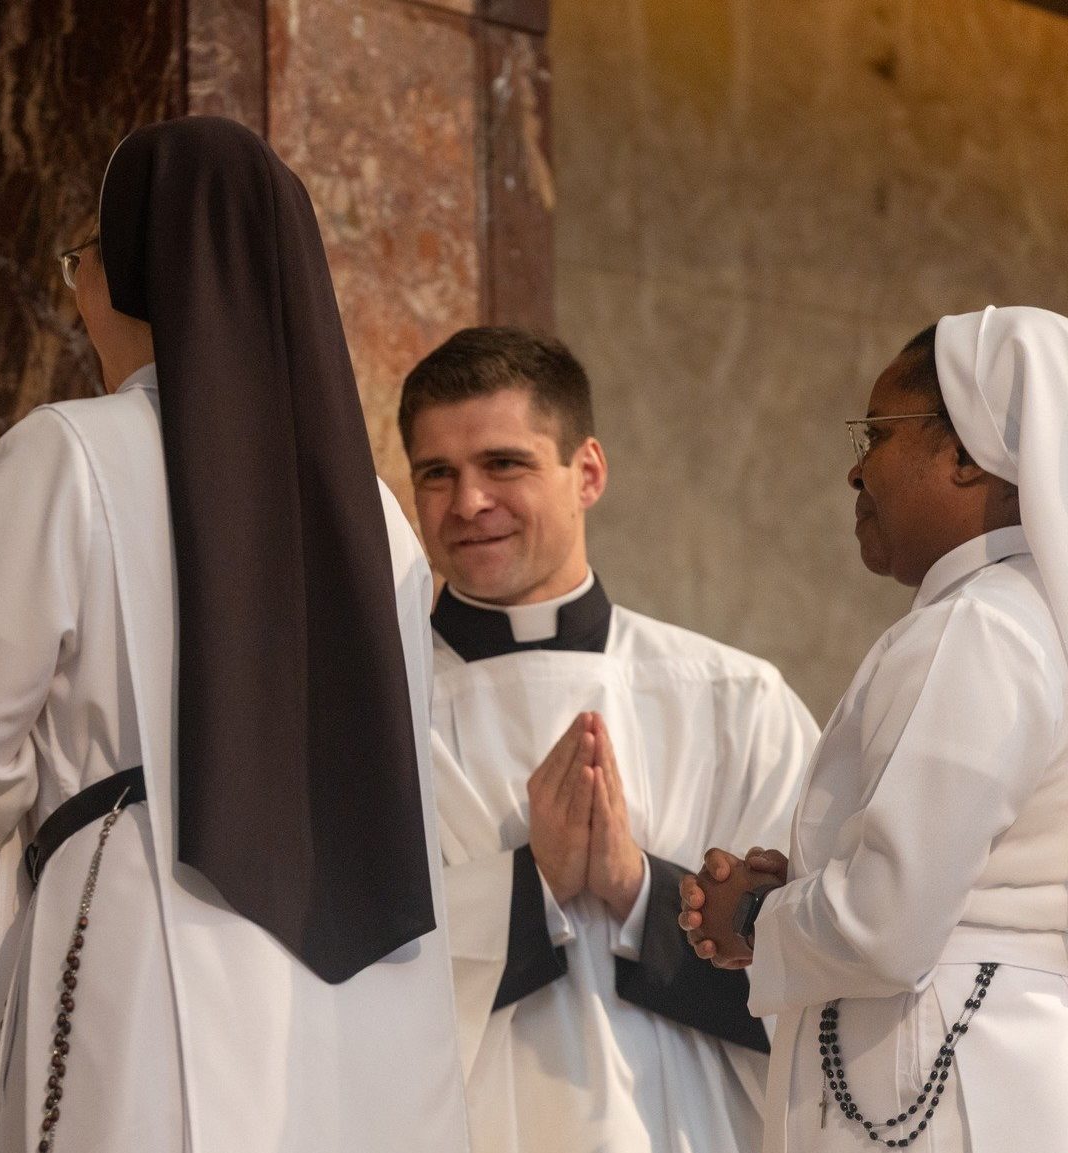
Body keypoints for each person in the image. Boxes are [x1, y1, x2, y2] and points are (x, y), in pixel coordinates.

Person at [0, 117, 468, 1153]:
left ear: (140, 267)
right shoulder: (378, 518)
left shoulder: (69, 453)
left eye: (82, 259)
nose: (73, 290)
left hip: (136, 937)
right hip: (362, 1005)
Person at [399, 327, 818, 1153]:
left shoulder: (733, 699)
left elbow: (825, 964)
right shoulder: (372, 711)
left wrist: (640, 891)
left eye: (504, 464)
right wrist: (531, 887)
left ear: (587, 471)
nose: (468, 502)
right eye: (436, 473)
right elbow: (334, 978)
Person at [681, 308, 1068, 1152]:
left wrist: (753, 917)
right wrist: (810, 881)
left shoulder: (982, 625)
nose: (856, 471)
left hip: (946, 1070)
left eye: (879, 433)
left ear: (967, 454)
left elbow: (889, 920)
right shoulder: (1025, 618)